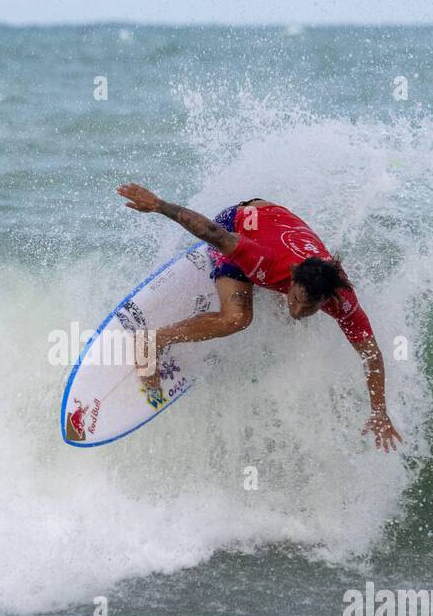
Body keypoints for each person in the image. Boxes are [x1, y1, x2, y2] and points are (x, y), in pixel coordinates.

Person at [116, 183, 402, 451]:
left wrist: (379, 411)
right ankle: (153, 341)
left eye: (310, 307)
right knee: (238, 319)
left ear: (328, 300)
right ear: (291, 280)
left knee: (287, 322)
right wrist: (158, 205)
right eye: (297, 300)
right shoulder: (266, 261)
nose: (299, 311)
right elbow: (213, 233)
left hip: (274, 223)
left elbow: (371, 355)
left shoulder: (343, 302)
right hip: (238, 223)